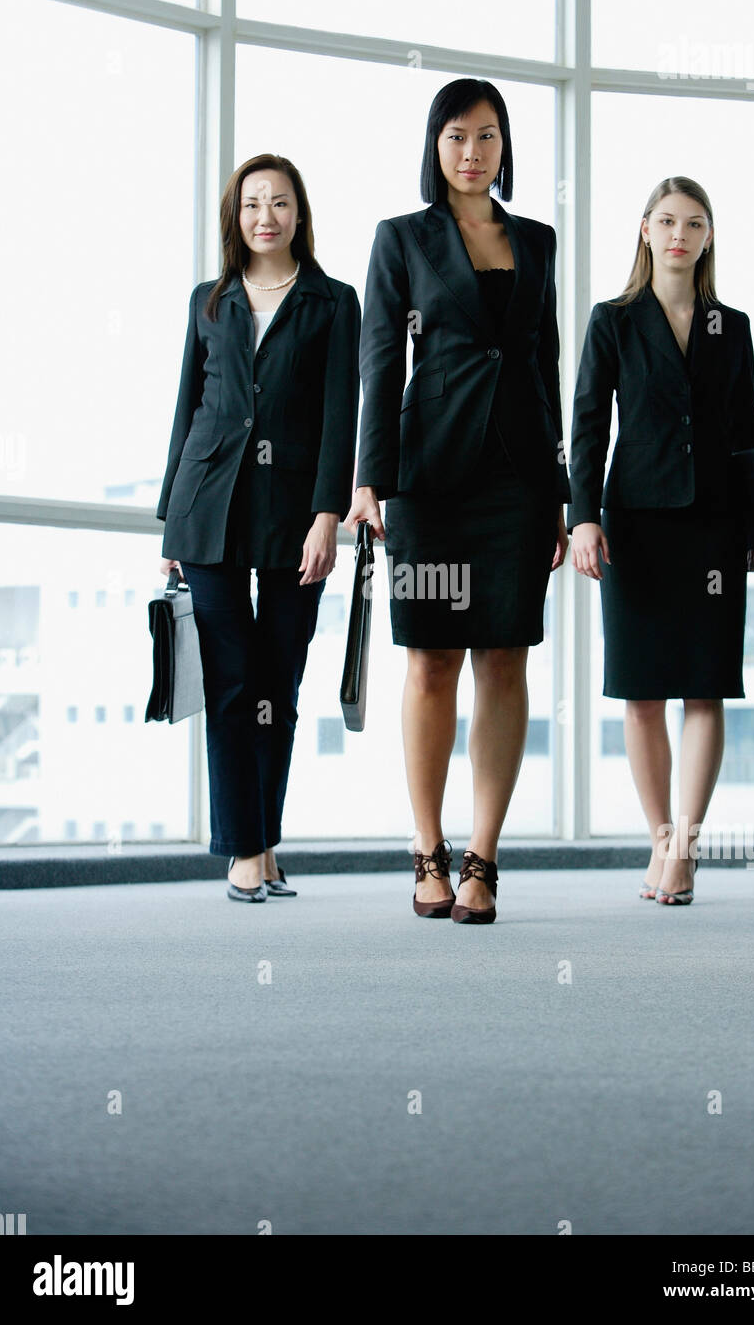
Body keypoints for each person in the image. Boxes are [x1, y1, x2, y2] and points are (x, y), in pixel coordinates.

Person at [345, 79, 570, 924]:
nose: (471, 152)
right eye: (454, 136)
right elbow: (378, 361)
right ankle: (427, 851)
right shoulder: (399, 238)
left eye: (486, 135)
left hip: (515, 483)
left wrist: (558, 492)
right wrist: (372, 479)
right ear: (433, 147)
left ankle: (483, 858)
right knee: (432, 658)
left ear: (505, 147)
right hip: (431, 476)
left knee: (504, 657)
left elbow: (547, 364)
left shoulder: (538, 242)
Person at [157, 153, 360, 902]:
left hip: (293, 518)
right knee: (232, 683)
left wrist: (325, 517)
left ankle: (264, 842)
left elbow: (342, 415)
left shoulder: (334, 302)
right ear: (234, 217)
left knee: (279, 681)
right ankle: (244, 851)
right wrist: (169, 527)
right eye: (250, 205)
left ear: (298, 213)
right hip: (205, 506)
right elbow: (187, 412)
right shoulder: (207, 302)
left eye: (278, 203)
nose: (264, 216)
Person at [567, 176, 754, 906]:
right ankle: (660, 840)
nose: (678, 233)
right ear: (644, 231)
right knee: (642, 691)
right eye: (665, 220)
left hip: (715, 524)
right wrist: (581, 517)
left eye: (693, 222)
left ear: (707, 236)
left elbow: (745, 431)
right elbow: (587, 426)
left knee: (706, 687)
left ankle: (683, 850)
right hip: (636, 523)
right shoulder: (612, 320)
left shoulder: (731, 325)